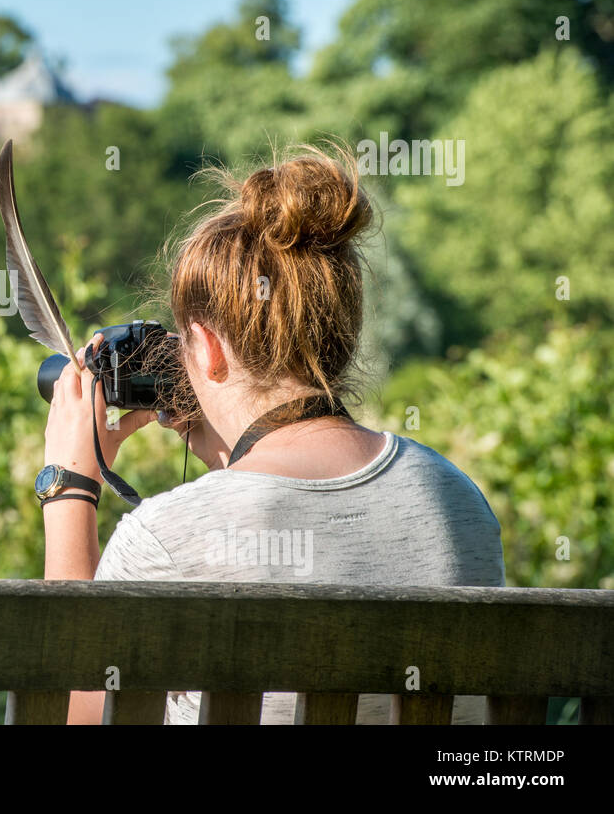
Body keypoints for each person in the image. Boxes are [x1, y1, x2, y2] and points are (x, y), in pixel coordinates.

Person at [37, 144, 505, 725]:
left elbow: (74, 720)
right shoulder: (458, 500)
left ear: (207, 349)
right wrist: (226, 450)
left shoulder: (165, 537)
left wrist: (69, 489)